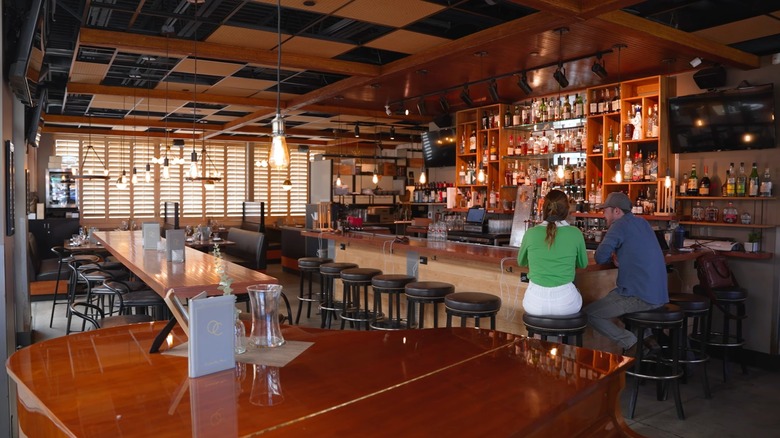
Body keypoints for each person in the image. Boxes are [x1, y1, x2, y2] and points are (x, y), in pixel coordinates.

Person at [584, 192, 668, 355]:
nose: (603, 215)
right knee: (614, 299)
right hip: (659, 296)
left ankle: (632, 343)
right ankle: (647, 338)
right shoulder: (642, 222)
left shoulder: (619, 225)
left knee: (589, 314)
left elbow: (600, 257)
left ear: (616, 211)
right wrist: (619, 254)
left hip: (639, 297)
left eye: (605, 211)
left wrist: (612, 252)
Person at [517, 189, 588, 316]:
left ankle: (537, 336)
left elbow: (521, 262)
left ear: (544, 209)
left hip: (534, 302)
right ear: (567, 209)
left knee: (538, 327)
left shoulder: (531, 233)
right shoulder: (575, 233)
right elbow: (582, 264)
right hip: (566, 302)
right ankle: (562, 335)